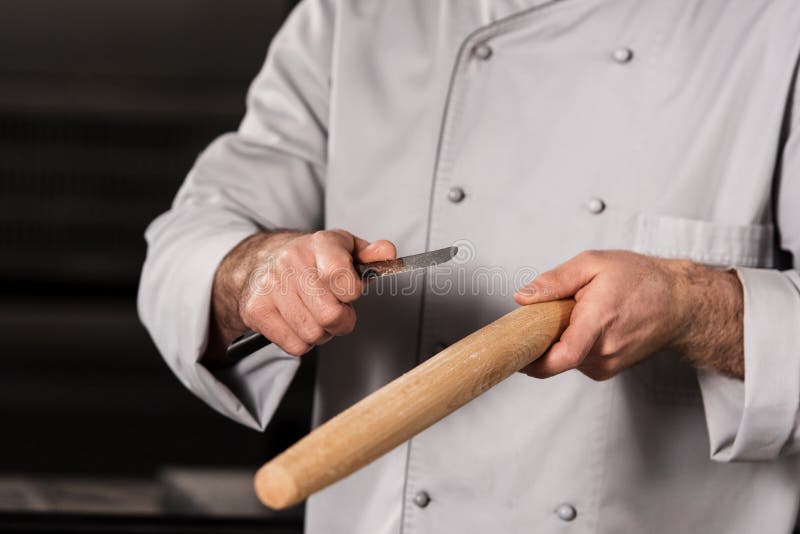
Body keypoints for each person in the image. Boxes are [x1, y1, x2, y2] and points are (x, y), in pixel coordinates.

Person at [138, 1, 800, 532]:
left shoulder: (774, 25)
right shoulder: (355, 16)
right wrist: (254, 269)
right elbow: (191, 240)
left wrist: (696, 307)